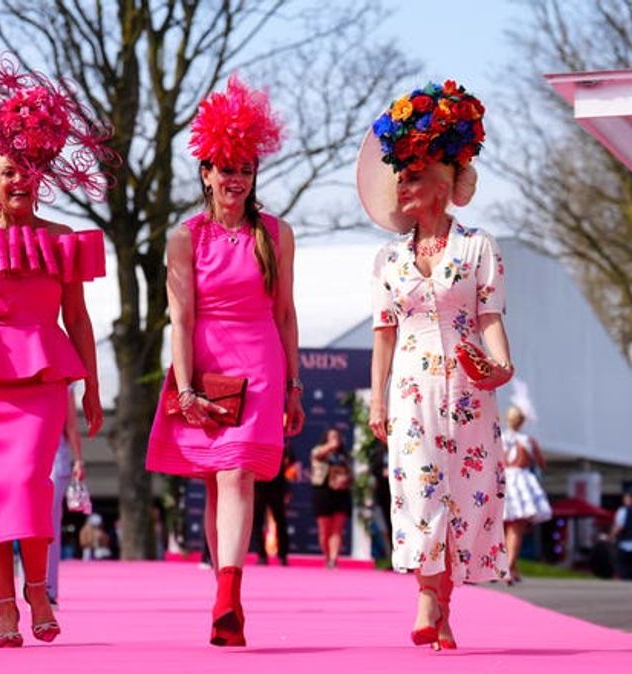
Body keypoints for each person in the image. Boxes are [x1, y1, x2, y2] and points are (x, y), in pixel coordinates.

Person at [0, 55, 110, 648]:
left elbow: (78, 318)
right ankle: (4, 606)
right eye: (9, 171)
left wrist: (93, 387)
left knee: (31, 482)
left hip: (43, 382)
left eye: (29, 171)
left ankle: (39, 590)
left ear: (42, 178)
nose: (20, 181)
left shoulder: (64, 242)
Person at [146, 75, 305, 647]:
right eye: (225, 168)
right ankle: (223, 589)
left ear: (252, 175)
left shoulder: (277, 234)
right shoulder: (184, 239)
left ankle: (228, 598)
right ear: (206, 172)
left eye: (244, 169)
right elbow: (181, 320)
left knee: (239, 474)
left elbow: (285, 313)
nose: (234, 179)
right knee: (216, 483)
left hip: (261, 361)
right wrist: (185, 388)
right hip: (207, 363)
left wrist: (294, 386)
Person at [358, 80, 514, 650]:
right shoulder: (387, 260)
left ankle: (442, 607)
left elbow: (492, 317)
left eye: (415, 175)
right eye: (401, 176)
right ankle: (428, 597)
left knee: (465, 497)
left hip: (471, 392)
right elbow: (383, 334)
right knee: (422, 495)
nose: (403, 184)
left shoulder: (479, 247)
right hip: (411, 392)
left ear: (445, 185)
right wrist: (376, 400)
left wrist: (502, 366)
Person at [501, 404, 551, 582]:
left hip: (502, 481)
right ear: (522, 421)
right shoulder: (528, 441)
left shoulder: (499, 438)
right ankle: (508, 568)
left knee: (504, 529)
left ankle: (512, 568)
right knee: (516, 529)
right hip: (521, 483)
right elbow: (541, 463)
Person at [47, 386, 86, 606]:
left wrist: (78, 459)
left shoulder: (65, 380)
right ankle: (30, 584)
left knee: (50, 524)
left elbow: (71, 424)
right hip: (23, 454)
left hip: (55, 456)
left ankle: (48, 587)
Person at [310, 428, 352, 568]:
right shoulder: (319, 451)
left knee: (337, 529)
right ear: (326, 439)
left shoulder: (344, 456)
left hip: (341, 493)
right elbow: (316, 455)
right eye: (332, 436)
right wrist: (330, 446)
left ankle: (334, 560)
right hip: (323, 492)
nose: (335, 439)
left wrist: (345, 479)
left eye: (337, 437)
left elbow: (352, 475)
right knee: (324, 529)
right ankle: (327, 557)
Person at [252, 445, 291, 566]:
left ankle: (283, 555)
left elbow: (288, 467)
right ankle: (261, 555)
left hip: (277, 488)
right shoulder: (254, 443)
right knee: (257, 523)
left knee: (281, 522)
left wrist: (287, 489)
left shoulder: (281, 442)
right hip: (258, 487)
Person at [612, 491, 632, 580]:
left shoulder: (623, 511)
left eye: (626, 498)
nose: (624, 500)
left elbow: (619, 526)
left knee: (624, 569)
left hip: (625, 544)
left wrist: (611, 536)